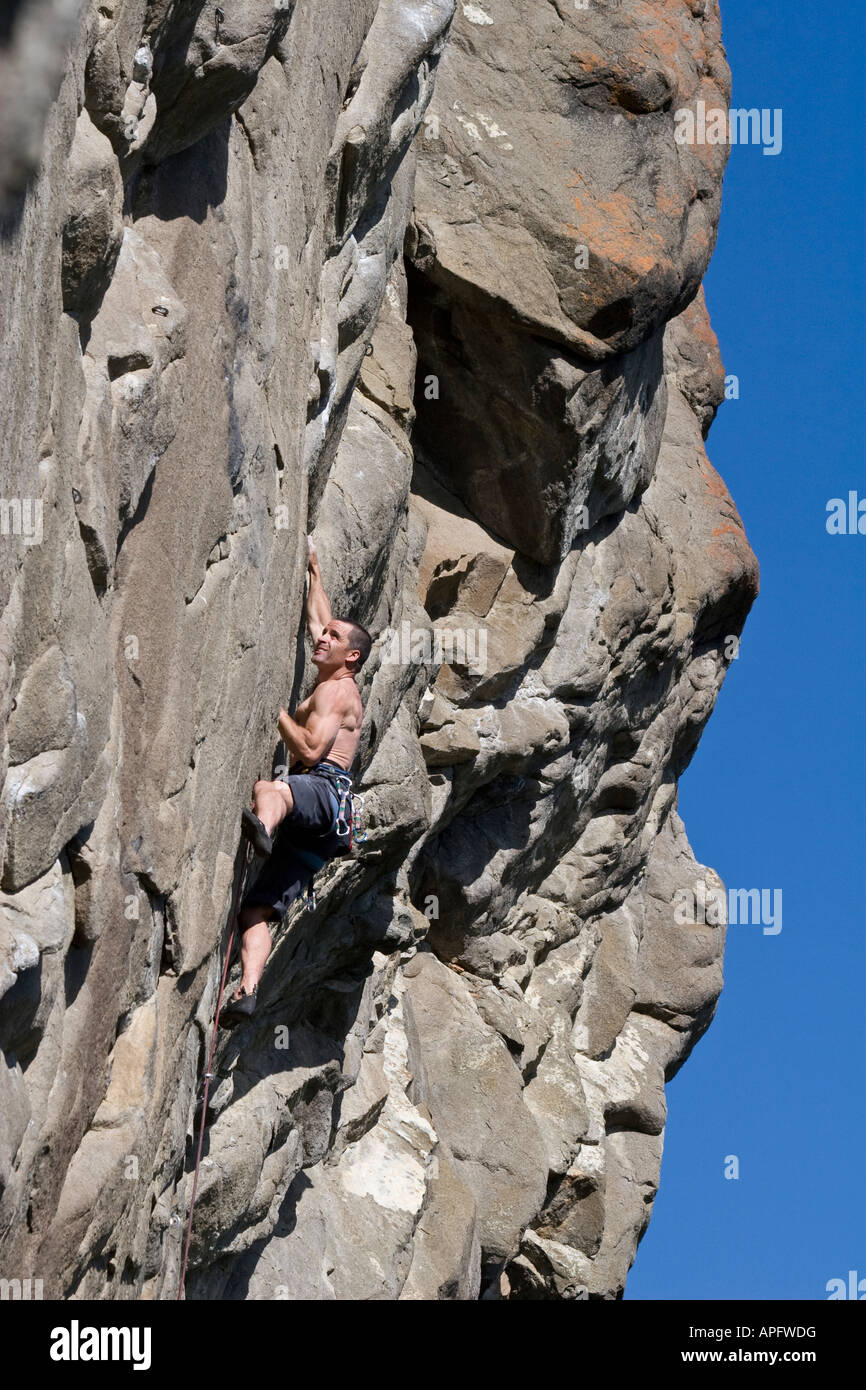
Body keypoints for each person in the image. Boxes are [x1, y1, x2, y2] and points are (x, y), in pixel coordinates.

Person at [219, 538, 371, 1026]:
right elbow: (318, 619)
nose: (321, 639)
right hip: (324, 830)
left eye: (333, 639)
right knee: (256, 913)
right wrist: (314, 570)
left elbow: (307, 750)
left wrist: (277, 712)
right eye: (323, 635)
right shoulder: (336, 674)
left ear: (351, 658)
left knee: (271, 789)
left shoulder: (336, 693)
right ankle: (247, 989)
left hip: (323, 791)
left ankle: (263, 830)